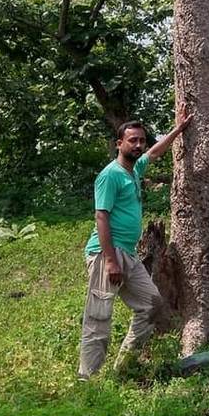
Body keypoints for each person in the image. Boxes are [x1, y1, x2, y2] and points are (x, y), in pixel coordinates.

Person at [77, 105, 192, 379]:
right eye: (133, 140)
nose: (139, 145)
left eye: (141, 140)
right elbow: (101, 217)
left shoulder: (134, 170)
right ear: (120, 144)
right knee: (99, 317)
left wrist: (178, 129)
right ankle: (87, 379)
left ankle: (122, 369)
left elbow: (155, 152)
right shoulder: (110, 175)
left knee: (151, 305)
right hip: (107, 255)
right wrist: (109, 260)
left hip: (128, 255)